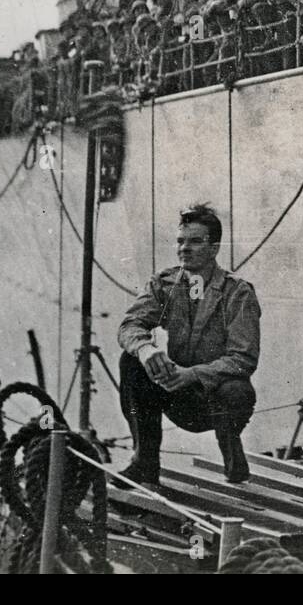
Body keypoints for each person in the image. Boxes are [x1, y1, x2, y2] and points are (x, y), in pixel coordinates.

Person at [117, 203, 260, 485]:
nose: (185, 248)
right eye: (181, 241)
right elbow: (129, 325)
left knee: (237, 390)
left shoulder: (238, 293)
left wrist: (191, 375)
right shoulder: (166, 284)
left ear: (215, 248)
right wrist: (146, 350)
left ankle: (232, 453)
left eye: (195, 241)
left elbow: (243, 359)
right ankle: (144, 461)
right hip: (176, 396)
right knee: (131, 361)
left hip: (212, 401)